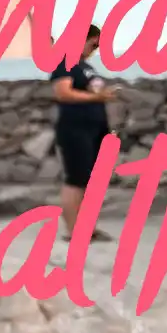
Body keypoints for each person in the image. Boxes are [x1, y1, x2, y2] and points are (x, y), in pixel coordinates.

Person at [51, 24, 115, 239]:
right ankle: (73, 231)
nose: (94, 49)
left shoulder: (85, 67)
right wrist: (97, 97)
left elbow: (90, 92)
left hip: (93, 130)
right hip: (75, 130)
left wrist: (102, 96)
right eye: (93, 43)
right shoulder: (66, 64)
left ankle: (87, 228)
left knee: (90, 181)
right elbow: (63, 93)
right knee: (76, 180)